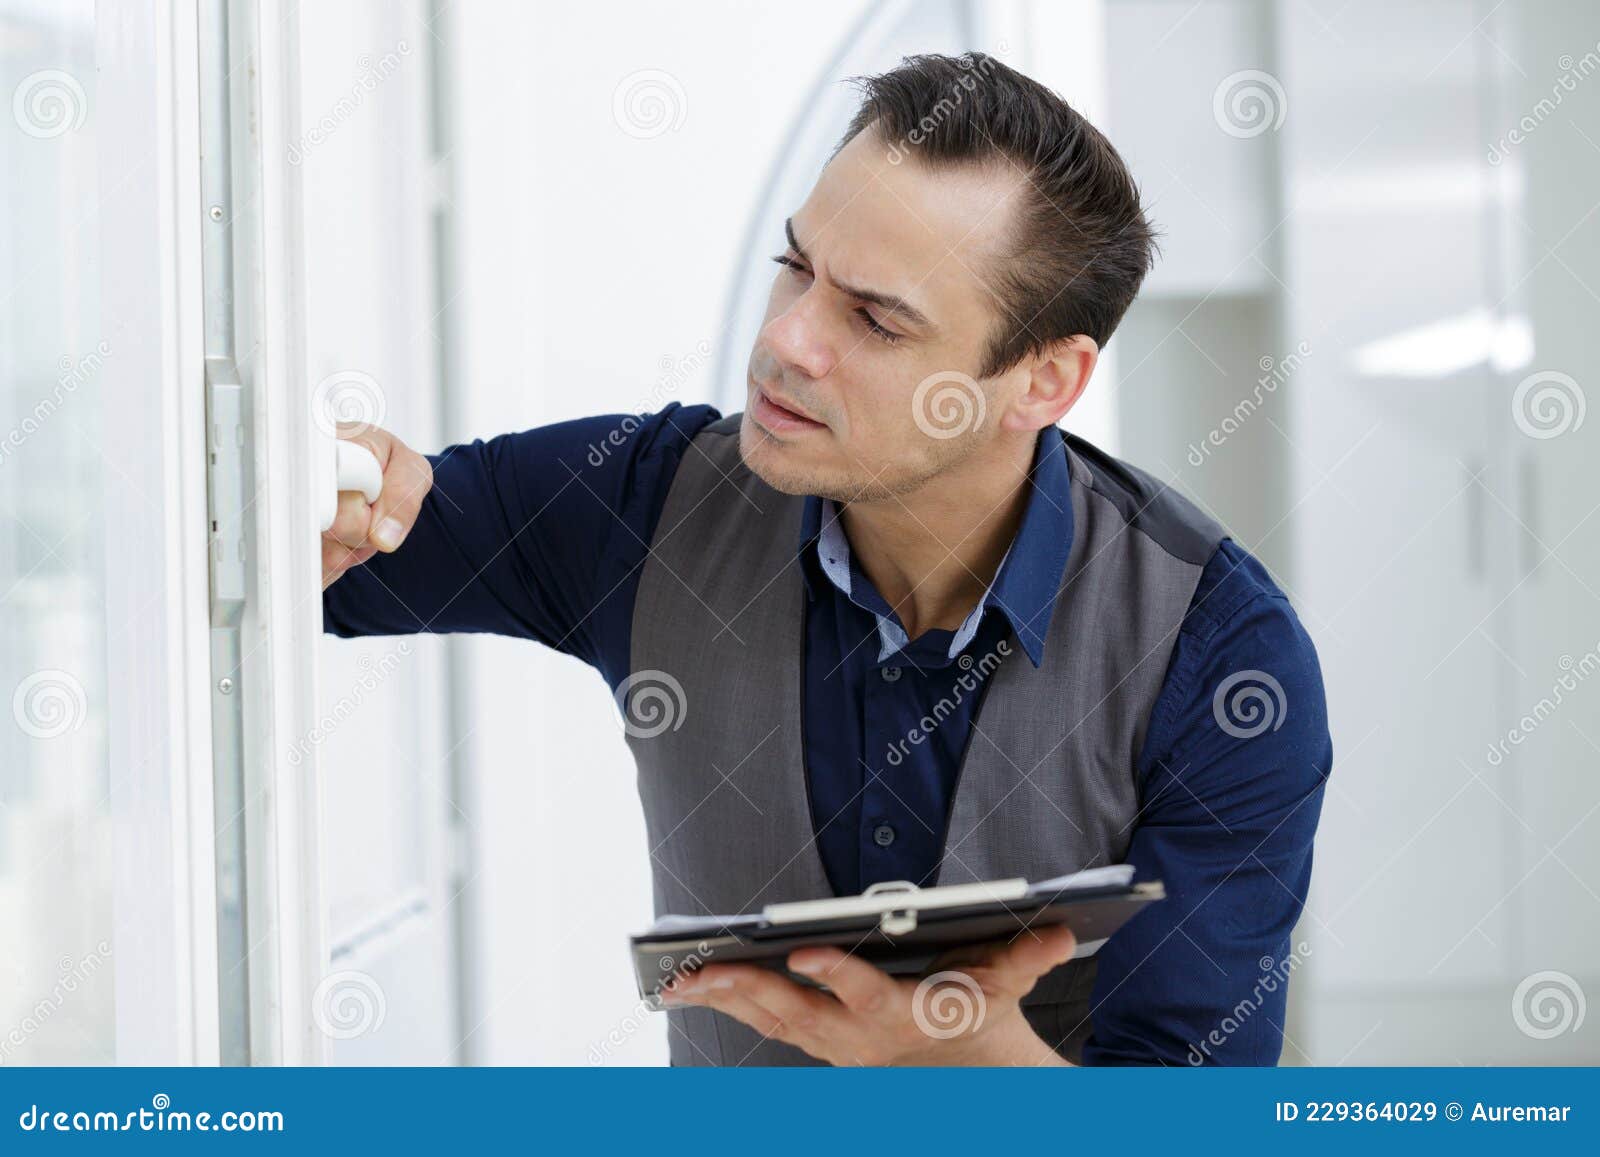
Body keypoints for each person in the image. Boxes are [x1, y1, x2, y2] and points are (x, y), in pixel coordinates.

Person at [322, 52, 1331, 1067]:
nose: (786, 341)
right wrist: (325, 488)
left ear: (1043, 381)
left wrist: (985, 1077)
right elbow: (323, 558)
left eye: (876, 319)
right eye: (796, 267)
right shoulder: (644, 504)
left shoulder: (1214, 654)